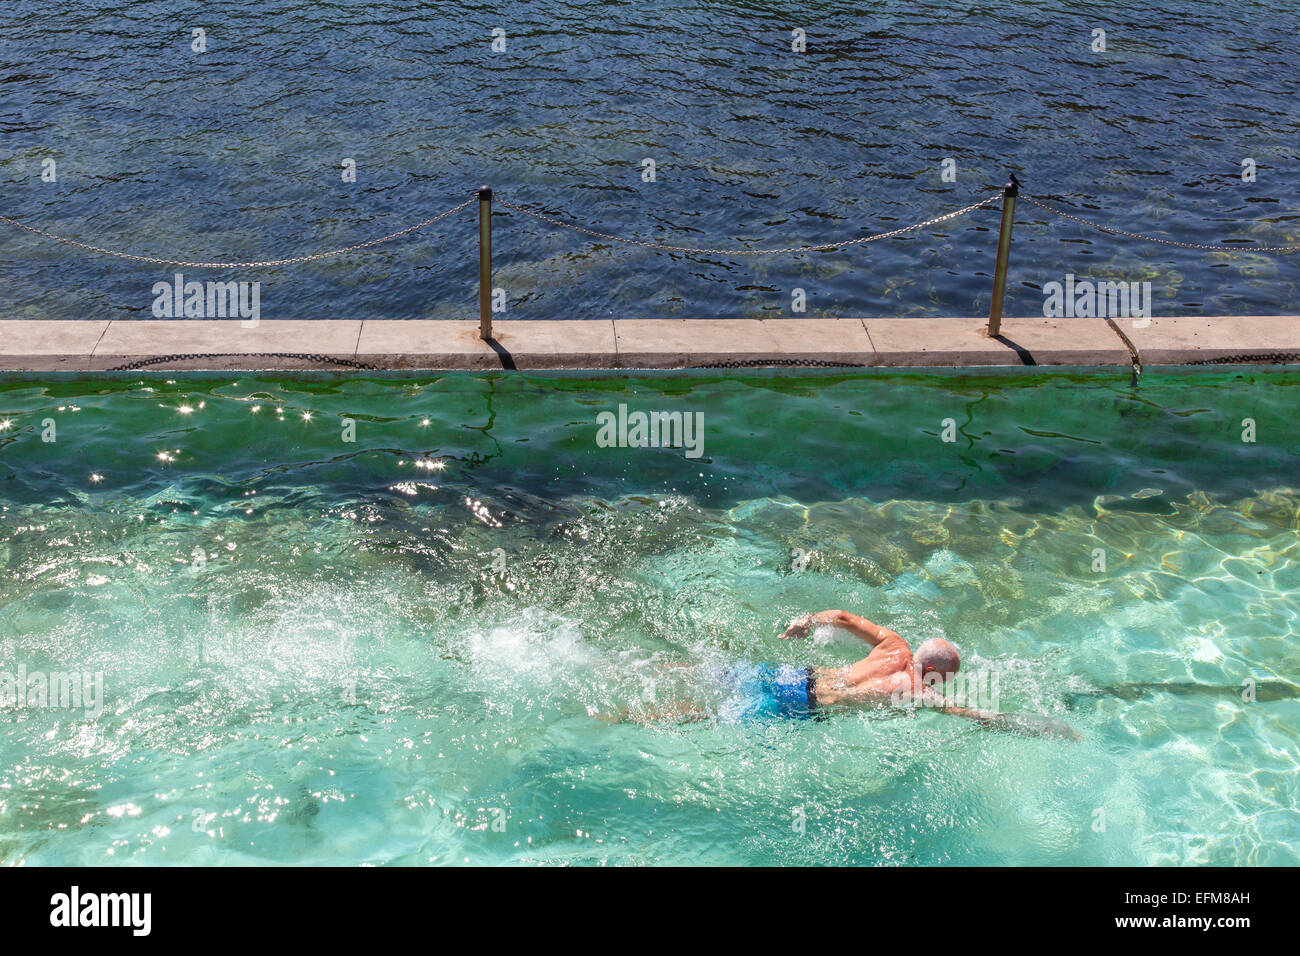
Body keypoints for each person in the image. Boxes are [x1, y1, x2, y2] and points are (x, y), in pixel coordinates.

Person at [622, 609, 1081, 739]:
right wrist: (1036, 729)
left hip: (796, 673)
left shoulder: (895, 644)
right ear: (936, 672)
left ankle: (632, 664)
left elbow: (840, 616)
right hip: (801, 706)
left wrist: (806, 620)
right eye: (949, 677)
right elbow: (972, 715)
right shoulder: (916, 690)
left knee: (711, 670)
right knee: (706, 717)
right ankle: (627, 719)